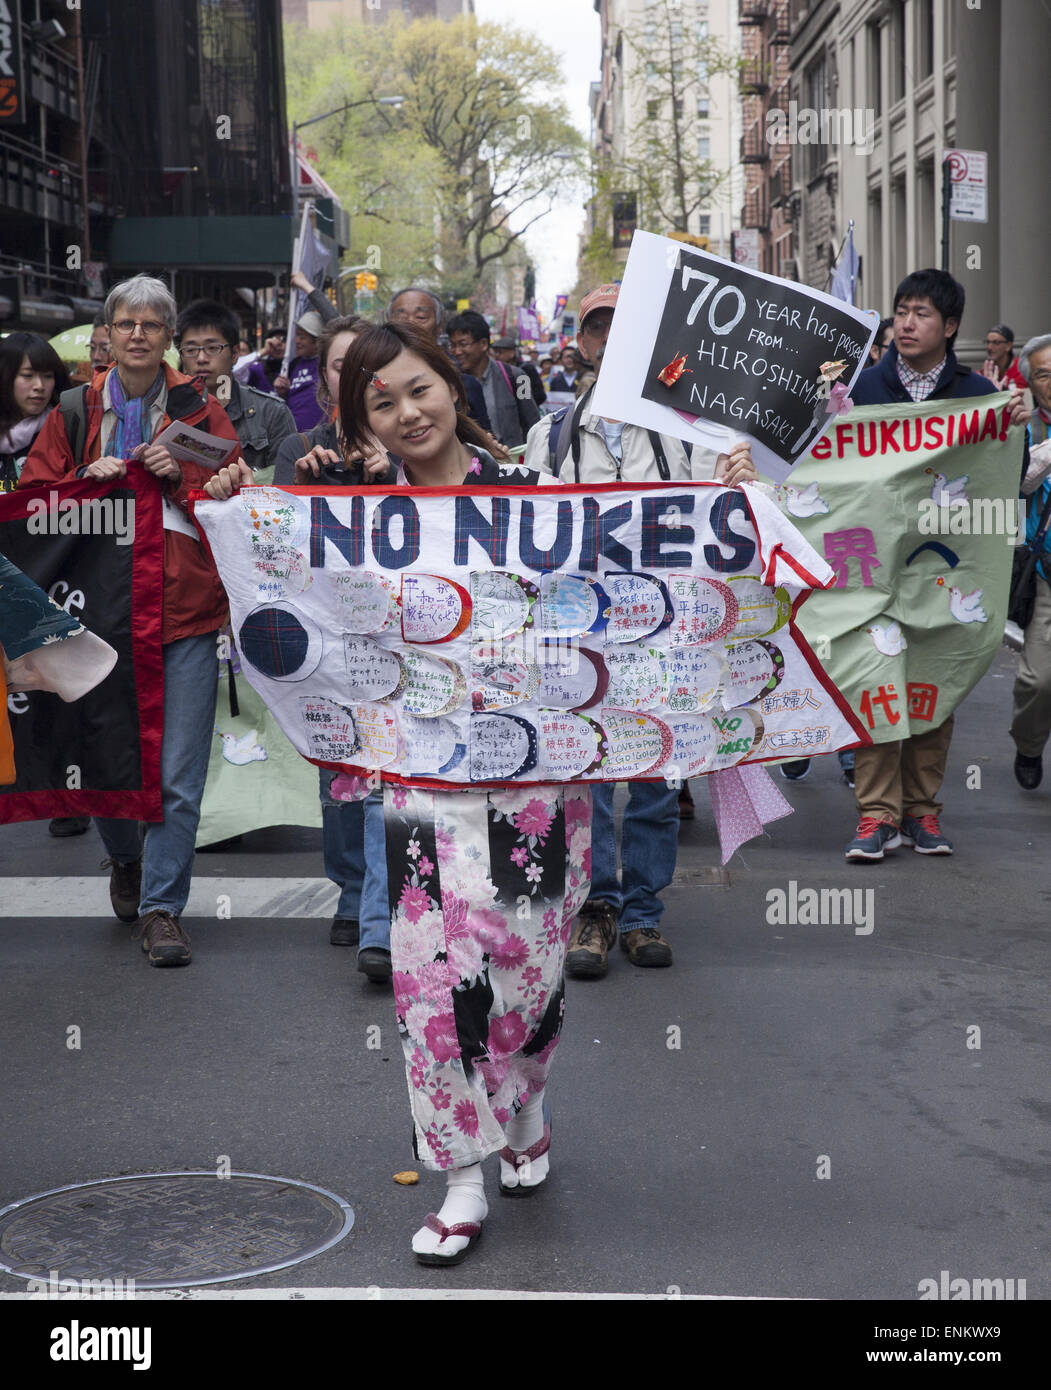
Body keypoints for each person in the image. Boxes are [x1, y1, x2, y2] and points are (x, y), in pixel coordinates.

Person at [207, 321, 586, 1267]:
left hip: (534, 782)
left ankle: (526, 1101)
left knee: (524, 974)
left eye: (418, 390)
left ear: (453, 389)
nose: (407, 412)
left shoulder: (535, 497)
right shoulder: (355, 516)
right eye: (381, 402)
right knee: (429, 983)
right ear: (360, 422)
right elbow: (282, 578)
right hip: (419, 782)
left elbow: (628, 577)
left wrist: (737, 502)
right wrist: (240, 502)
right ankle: (460, 1177)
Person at [523, 283, 758, 979]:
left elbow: (724, 519)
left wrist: (736, 481)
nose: (609, 341)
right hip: (579, 633)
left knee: (655, 772)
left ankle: (643, 913)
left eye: (625, 330)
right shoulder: (550, 434)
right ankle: (594, 910)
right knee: (589, 772)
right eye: (599, 329)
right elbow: (527, 533)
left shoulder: (686, 431)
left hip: (662, 636)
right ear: (582, 343)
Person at [20, 273, 243, 965]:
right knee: (105, 765)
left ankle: (162, 909)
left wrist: (180, 477)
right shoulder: (75, 412)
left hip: (183, 616)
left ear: (167, 336)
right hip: (96, 620)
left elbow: (233, 502)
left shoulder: (200, 413)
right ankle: (125, 859)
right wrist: (82, 483)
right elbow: (32, 501)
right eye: (127, 324)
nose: (139, 335)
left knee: (177, 774)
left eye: (152, 325)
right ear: (109, 337)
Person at [842, 268, 1028, 861]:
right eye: (900, 310)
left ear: (950, 327)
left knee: (930, 686)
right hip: (874, 570)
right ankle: (875, 815)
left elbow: (1005, 481)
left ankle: (922, 811)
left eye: (921, 313)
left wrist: (1018, 428)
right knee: (875, 683)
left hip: (949, 569)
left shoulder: (979, 399)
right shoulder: (860, 393)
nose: (906, 322)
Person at [271, 314, 394, 981]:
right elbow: (276, 547)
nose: (352, 380)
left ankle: (376, 910)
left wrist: (385, 479)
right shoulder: (301, 449)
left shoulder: (406, 447)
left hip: (394, 640)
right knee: (338, 775)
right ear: (323, 383)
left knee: (382, 778)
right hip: (325, 639)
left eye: (365, 368)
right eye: (340, 367)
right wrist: (306, 484)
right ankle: (351, 890)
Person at [0, 334, 83, 838]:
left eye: (47, 375)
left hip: (52, 583)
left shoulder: (64, 430)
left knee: (52, 687)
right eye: (26, 375)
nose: (37, 386)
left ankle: (66, 793)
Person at [175, 299, 296, 483]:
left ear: (235, 354)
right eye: (190, 349)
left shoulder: (271, 412)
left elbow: (287, 484)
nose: (201, 358)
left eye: (212, 348)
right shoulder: (170, 411)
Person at [1009, 333, 1051, 789]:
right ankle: (1029, 743)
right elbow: (1008, 488)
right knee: (1039, 681)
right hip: (1046, 575)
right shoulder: (1024, 430)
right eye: (1043, 374)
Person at [387, 287, 495, 440]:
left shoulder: (464, 384)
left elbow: (484, 441)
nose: (410, 324)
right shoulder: (372, 382)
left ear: (438, 328)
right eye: (401, 316)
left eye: (421, 316)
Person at [447, 309, 541, 449]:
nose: (457, 351)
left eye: (463, 344)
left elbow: (533, 421)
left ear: (484, 344)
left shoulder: (519, 377)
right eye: (453, 345)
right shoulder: (451, 384)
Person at [271, 311, 325, 431]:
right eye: (297, 335)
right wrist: (283, 392)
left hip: (320, 439)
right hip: (295, 438)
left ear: (316, 340)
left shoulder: (326, 364)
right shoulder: (293, 364)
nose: (297, 341)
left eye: (302, 336)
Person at [492, 335, 546, 408]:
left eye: (500, 352)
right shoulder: (496, 371)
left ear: (511, 353)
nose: (496, 356)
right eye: (495, 352)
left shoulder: (525, 370)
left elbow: (539, 396)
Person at [983, 324, 1027, 392]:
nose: (989, 347)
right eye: (988, 342)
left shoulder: (1021, 370)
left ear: (1008, 346)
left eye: (996, 342)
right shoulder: (985, 372)